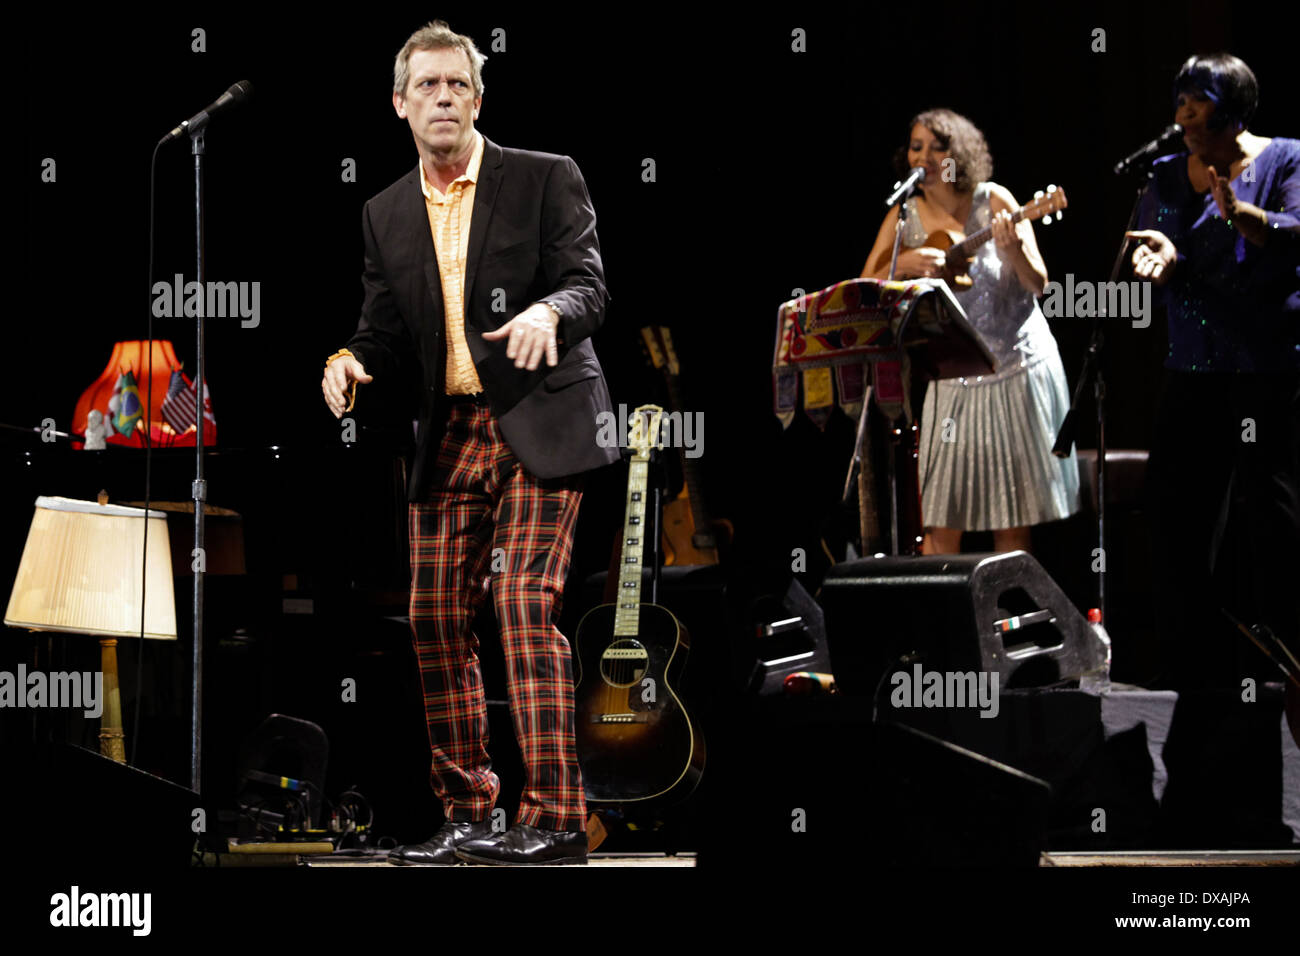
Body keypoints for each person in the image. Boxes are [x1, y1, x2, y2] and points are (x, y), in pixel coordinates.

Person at [320, 20, 618, 864]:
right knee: (432, 613)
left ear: (478, 99)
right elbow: (382, 332)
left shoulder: (543, 177)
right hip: (449, 430)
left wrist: (547, 313)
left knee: (522, 605)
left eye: (458, 85)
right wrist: (347, 361)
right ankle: (469, 812)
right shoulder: (383, 213)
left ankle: (557, 819)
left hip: (541, 417)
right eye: (427, 86)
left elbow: (589, 286)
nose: (443, 98)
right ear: (399, 104)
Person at [1127, 53, 1299, 689]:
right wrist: (1162, 249)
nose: (1185, 114)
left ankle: (1284, 654)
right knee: (1175, 512)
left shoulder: (1284, 159)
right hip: (1191, 363)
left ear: (1233, 106)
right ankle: (1191, 663)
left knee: (1269, 512)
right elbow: (1149, 238)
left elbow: (1295, 230)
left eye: (1198, 100)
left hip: (1261, 364)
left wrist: (1242, 216)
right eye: (1180, 102)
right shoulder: (1168, 174)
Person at [860, 109, 1079, 555]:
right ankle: (942, 623)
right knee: (941, 523)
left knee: (1011, 522)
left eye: (936, 147)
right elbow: (866, 285)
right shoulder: (907, 216)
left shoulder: (993, 199)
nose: (922, 156)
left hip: (1016, 369)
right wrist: (906, 264)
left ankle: (1007, 619)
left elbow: (1040, 284)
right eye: (915, 146)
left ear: (958, 154)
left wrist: (1014, 249)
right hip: (952, 375)